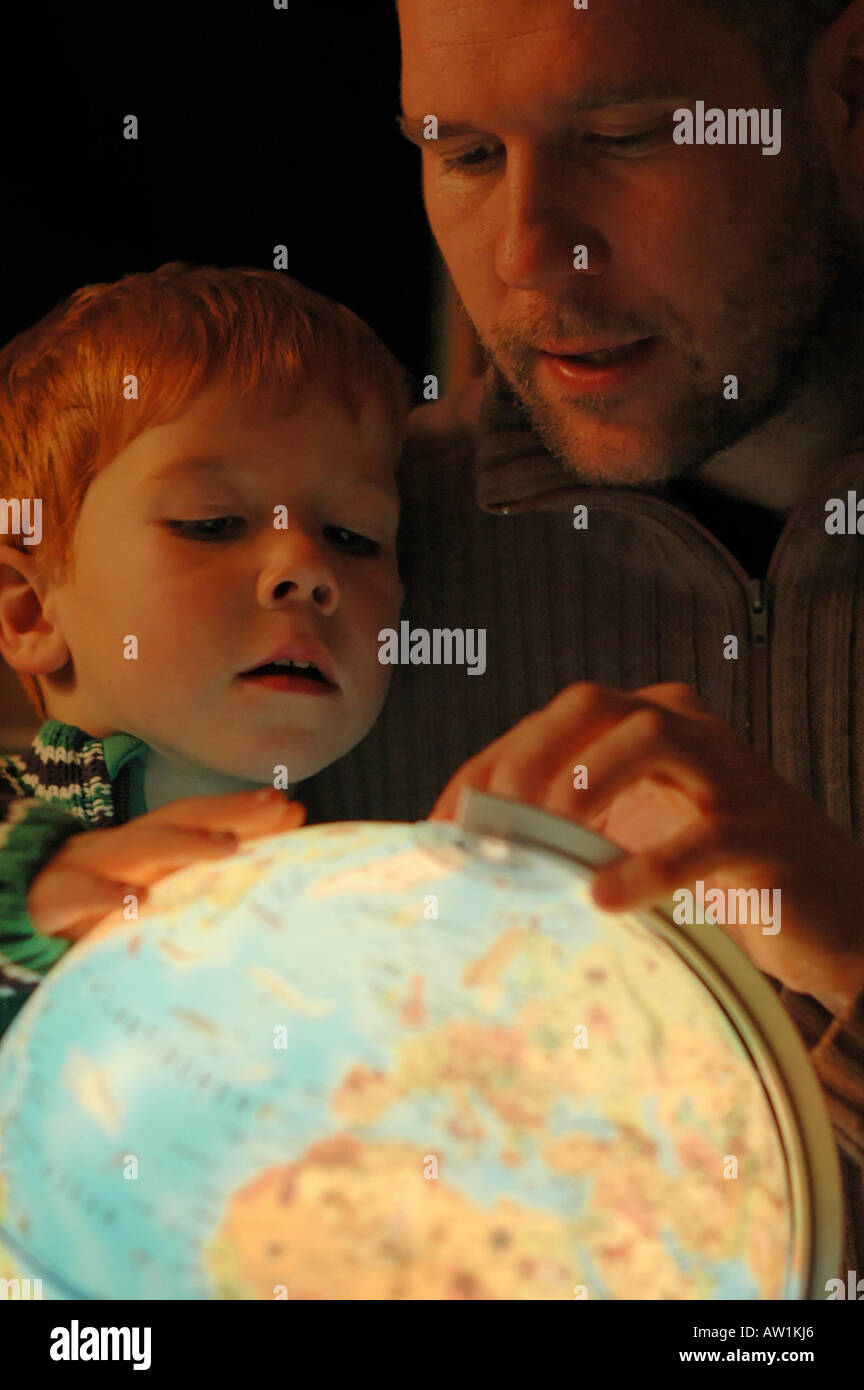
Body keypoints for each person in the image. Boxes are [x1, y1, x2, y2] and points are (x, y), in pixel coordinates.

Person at [299, 0, 864, 1278]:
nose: (528, 258)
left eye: (625, 133)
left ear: (851, 91)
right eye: (464, 155)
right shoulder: (330, 569)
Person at [0, 262, 409, 1035]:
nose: (306, 570)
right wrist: (35, 891)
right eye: (211, 522)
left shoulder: (392, 888)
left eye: (354, 537)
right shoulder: (20, 832)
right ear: (29, 612)